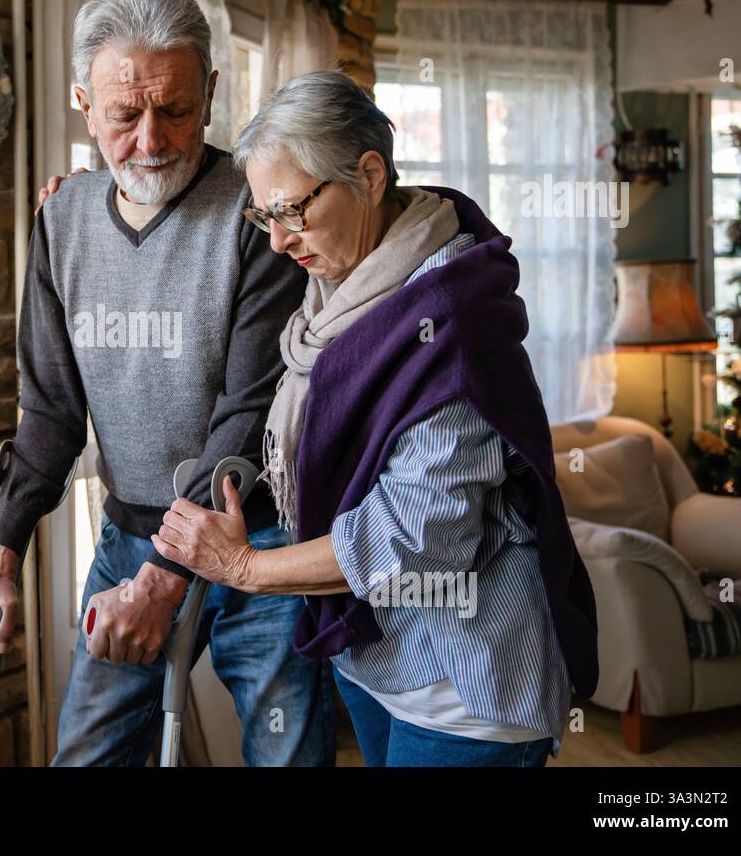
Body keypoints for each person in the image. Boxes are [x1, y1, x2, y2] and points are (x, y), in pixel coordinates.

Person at [150, 69, 599, 767]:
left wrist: (246, 566)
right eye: (264, 216)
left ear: (368, 174)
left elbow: (419, 535)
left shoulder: (449, 318)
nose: (278, 241)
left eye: (293, 210)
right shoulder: (342, 288)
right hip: (377, 659)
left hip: (466, 684)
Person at [0, 0, 336, 766]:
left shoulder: (258, 211)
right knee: (87, 756)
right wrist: (2, 555)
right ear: (84, 104)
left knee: (289, 756)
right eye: (125, 116)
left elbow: (246, 412)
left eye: (178, 110)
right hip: (131, 536)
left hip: (262, 539)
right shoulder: (61, 221)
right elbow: (52, 410)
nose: (152, 139)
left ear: (212, 95)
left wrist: (170, 579)